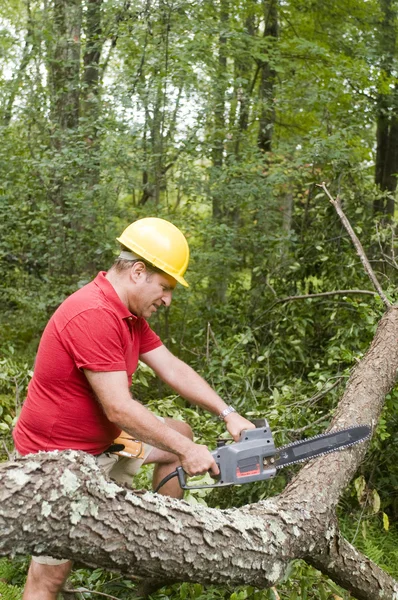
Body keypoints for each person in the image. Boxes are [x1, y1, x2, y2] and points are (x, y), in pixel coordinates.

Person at [13, 217, 255, 600]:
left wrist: (228, 413)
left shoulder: (128, 316)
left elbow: (172, 367)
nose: (168, 299)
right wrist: (188, 452)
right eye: (165, 287)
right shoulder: (93, 314)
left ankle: (149, 541)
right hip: (55, 461)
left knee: (182, 431)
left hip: (103, 444)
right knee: (49, 579)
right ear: (138, 272)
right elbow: (119, 410)